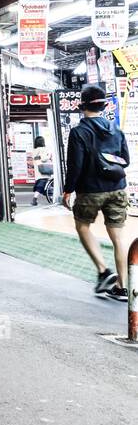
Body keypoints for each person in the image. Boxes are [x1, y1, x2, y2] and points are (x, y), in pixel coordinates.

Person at [63, 85, 131, 300]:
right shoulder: (116, 129)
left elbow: (75, 165)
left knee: (83, 226)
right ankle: (121, 288)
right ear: (103, 106)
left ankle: (103, 271)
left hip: (90, 190)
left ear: (82, 106)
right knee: (118, 237)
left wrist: (68, 190)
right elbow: (125, 160)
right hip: (117, 187)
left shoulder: (79, 132)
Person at [30, 134, 53, 206]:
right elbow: (43, 158)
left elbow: (36, 159)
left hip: (38, 172)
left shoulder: (34, 151)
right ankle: (35, 199)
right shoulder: (43, 149)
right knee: (42, 186)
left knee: (41, 186)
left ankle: (36, 199)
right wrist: (49, 156)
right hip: (44, 171)